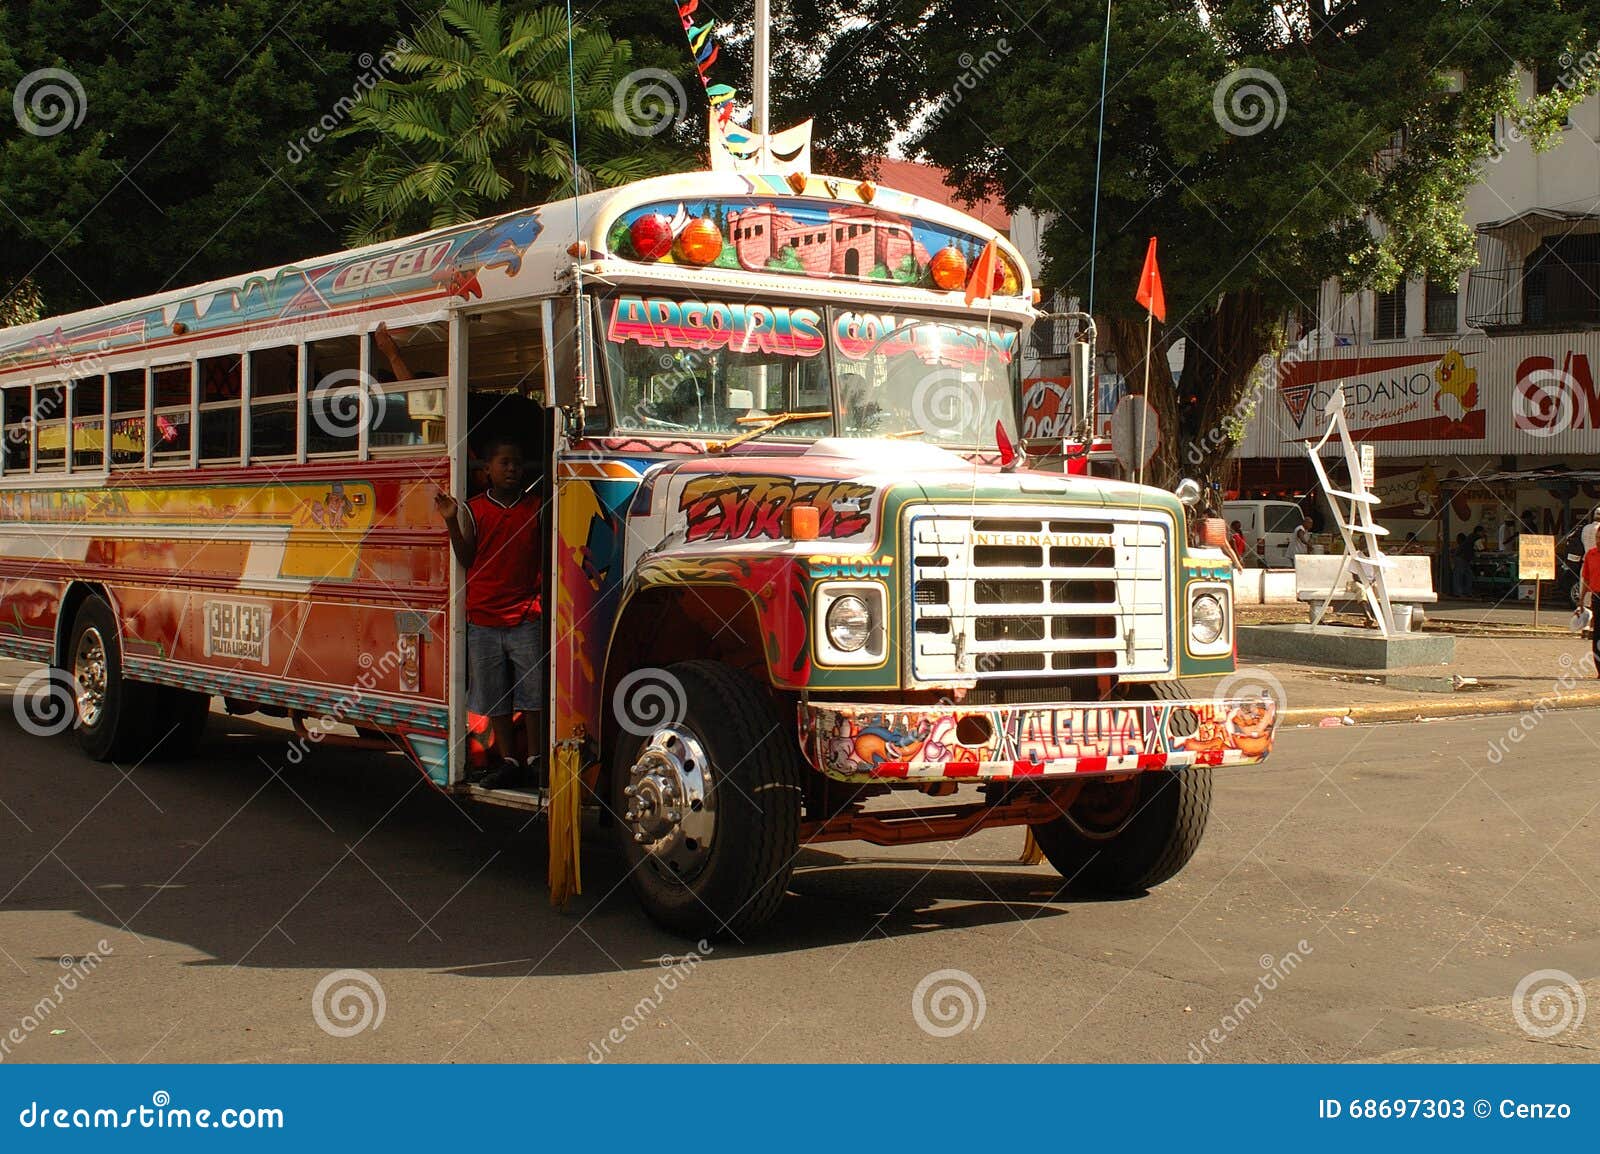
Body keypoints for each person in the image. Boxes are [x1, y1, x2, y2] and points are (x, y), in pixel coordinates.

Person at [435, 433, 544, 789]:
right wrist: (451, 520)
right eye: (504, 463)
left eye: (517, 464)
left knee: (533, 693)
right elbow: (466, 558)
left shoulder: (537, 507)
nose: (512, 469)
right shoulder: (472, 509)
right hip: (483, 617)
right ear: (487, 470)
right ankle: (509, 761)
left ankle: (535, 760)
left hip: (526, 614)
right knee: (495, 695)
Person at [1580, 531, 1600, 676]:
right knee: (1597, 634)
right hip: (1597, 597)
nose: (1598, 540)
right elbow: (1586, 580)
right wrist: (1581, 600)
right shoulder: (1591, 555)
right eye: (1597, 538)